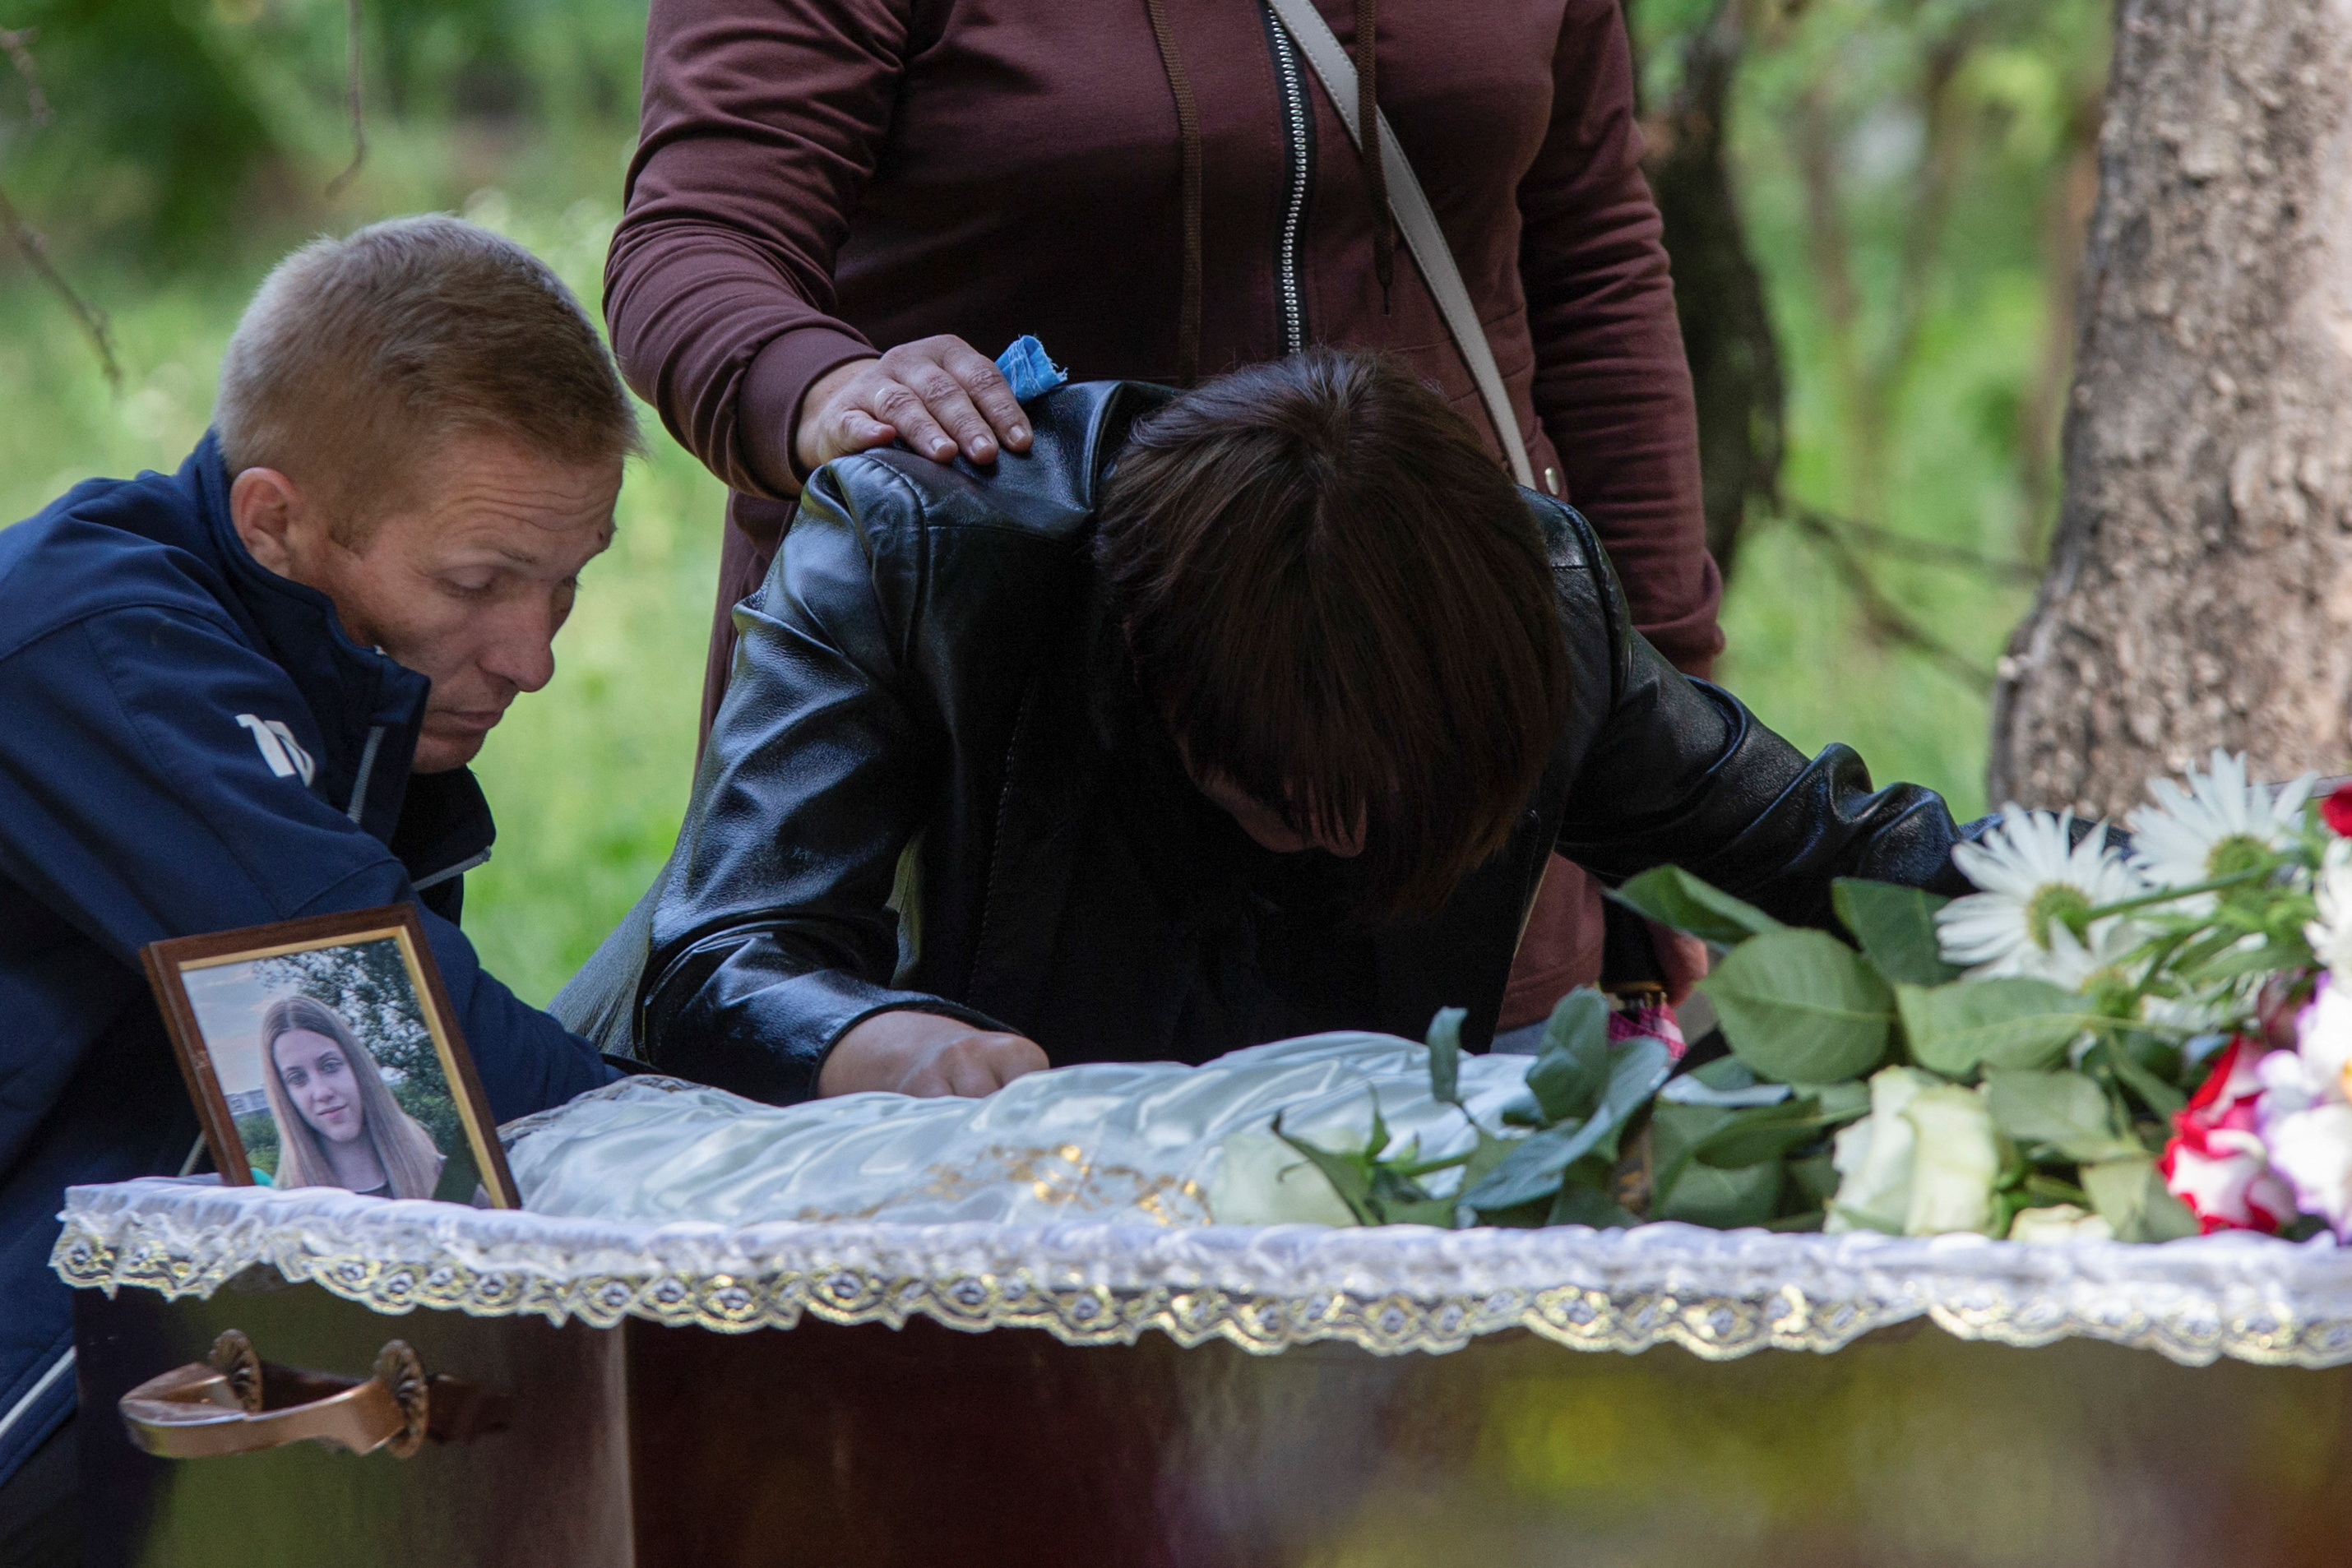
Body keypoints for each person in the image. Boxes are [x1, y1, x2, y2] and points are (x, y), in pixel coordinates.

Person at [605, 0, 1725, 1033]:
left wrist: (1664, 731)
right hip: (1008, 799)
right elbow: (697, 244)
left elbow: (1591, 258)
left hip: (1436, 766)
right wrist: (823, 392)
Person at [635, 349, 1973, 1104]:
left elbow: (1828, 852)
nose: (1338, 837)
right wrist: (886, 1043)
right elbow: (723, 953)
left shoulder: (1536, 607)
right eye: (1282, 794)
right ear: (1152, 672)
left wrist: (2118, 919)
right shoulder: (919, 547)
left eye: (1392, 808)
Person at [0, 215, 632, 1554]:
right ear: (276, 522)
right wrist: (745, 1164)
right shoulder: (92, 643)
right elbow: (381, 1022)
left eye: (568, 586)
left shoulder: (335, 667)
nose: (533, 654)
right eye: (479, 581)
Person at [259, 996, 446, 1200]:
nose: (322, 1093)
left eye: (330, 1066)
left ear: (358, 1067)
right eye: (297, 1078)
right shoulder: (285, 1215)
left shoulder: (450, 1182)